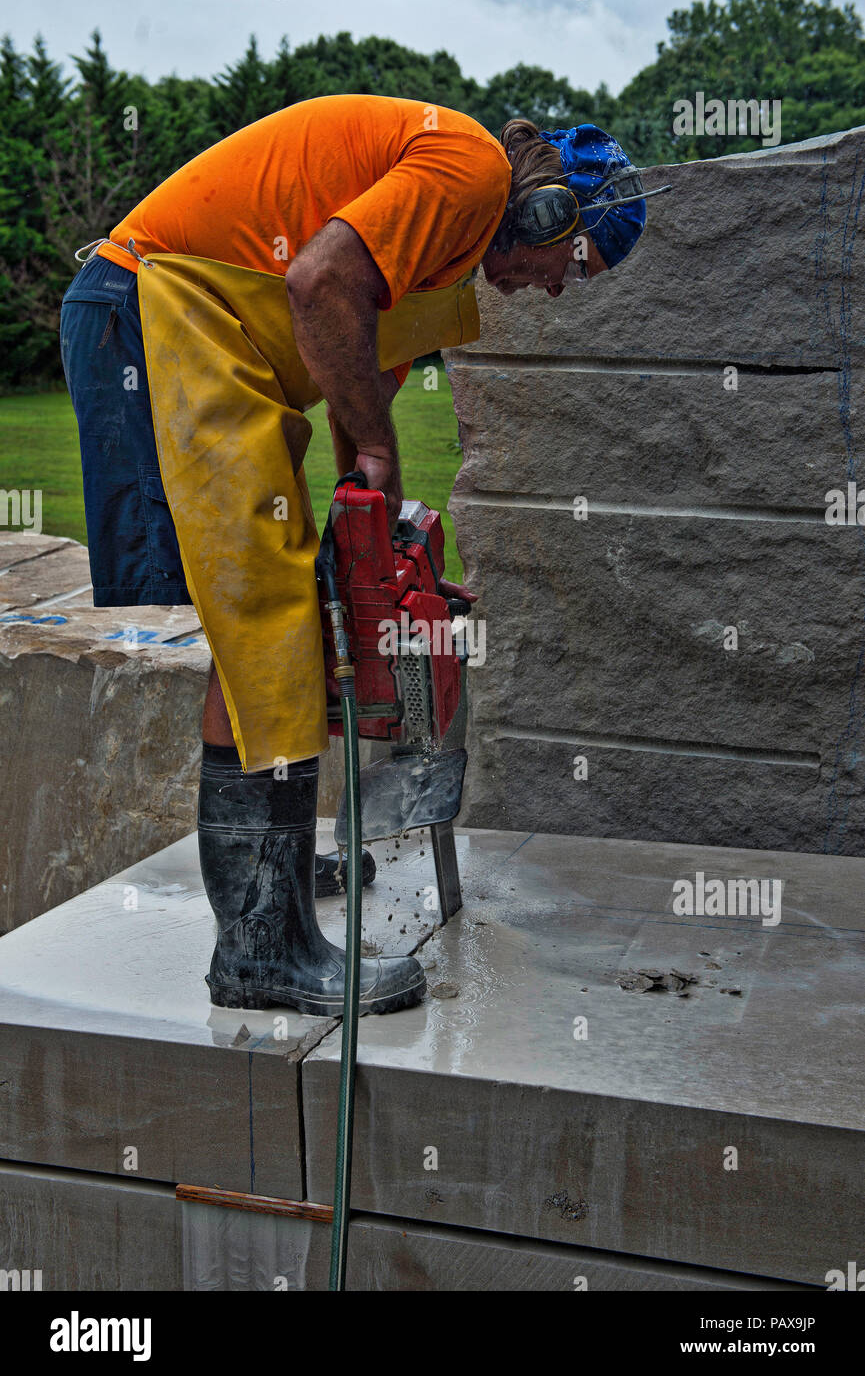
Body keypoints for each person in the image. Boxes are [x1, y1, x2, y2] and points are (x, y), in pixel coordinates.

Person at [60, 95, 646, 1017]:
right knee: (269, 624)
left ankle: (277, 867)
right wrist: (371, 457)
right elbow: (314, 282)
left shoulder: (441, 240)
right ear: (547, 213)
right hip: (155, 314)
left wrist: (374, 540)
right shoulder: (468, 175)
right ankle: (260, 949)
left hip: (214, 330)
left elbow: (354, 371)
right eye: (571, 261)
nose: (558, 287)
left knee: (303, 599)